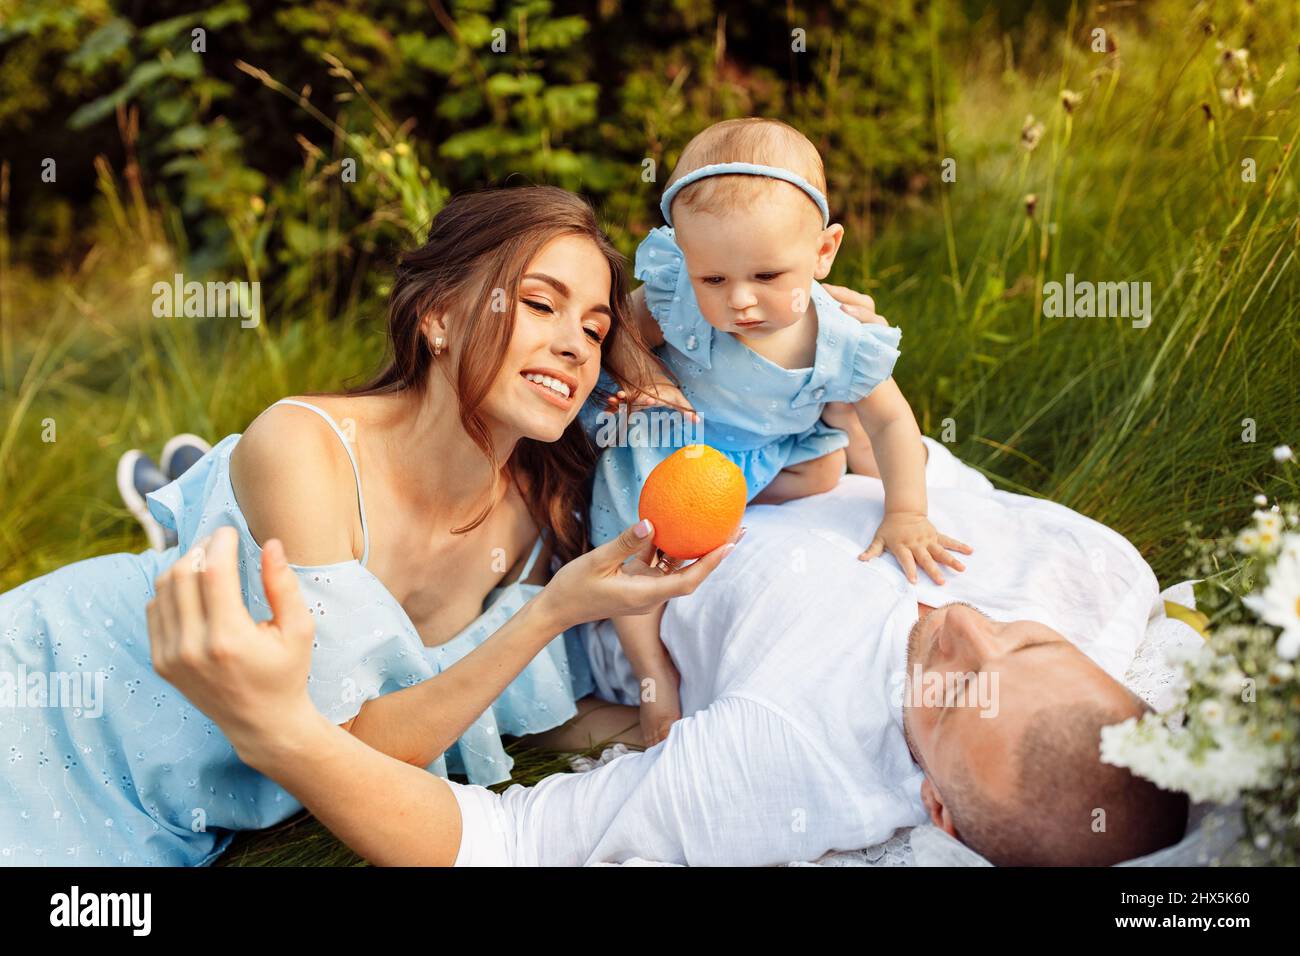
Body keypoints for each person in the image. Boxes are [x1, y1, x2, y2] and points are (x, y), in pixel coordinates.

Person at [0, 185, 751, 865]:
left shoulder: (540, 517)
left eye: (593, 330)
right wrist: (557, 612)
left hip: (187, 811)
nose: (573, 345)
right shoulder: (306, 451)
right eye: (538, 303)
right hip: (56, 701)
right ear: (438, 317)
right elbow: (348, 746)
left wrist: (692, 730)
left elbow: (509, 716)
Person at [147, 440, 1189, 867]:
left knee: (341, 547)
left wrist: (279, 734)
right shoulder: (1098, 580)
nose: (963, 625)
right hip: (695, 428)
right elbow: (917, 462)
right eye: (1021, 640)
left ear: (939, 813)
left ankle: (193, 498)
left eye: (953, 697)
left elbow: (503, 843)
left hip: (564, 540)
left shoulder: (789, 759)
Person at [583, 118, 970, 745]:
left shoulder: (838, 337)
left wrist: (906, 512)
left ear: (823, 252)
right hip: (676, 439)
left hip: (764, 446)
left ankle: (737, 503)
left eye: (766, 277)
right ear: (687, 259)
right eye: (714, 279)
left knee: (824, 470)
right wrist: (647, 377)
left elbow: (894, 419)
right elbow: (619, 336)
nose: (738, 300)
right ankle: (653, 672)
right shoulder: (677, 296)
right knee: (638, 543)